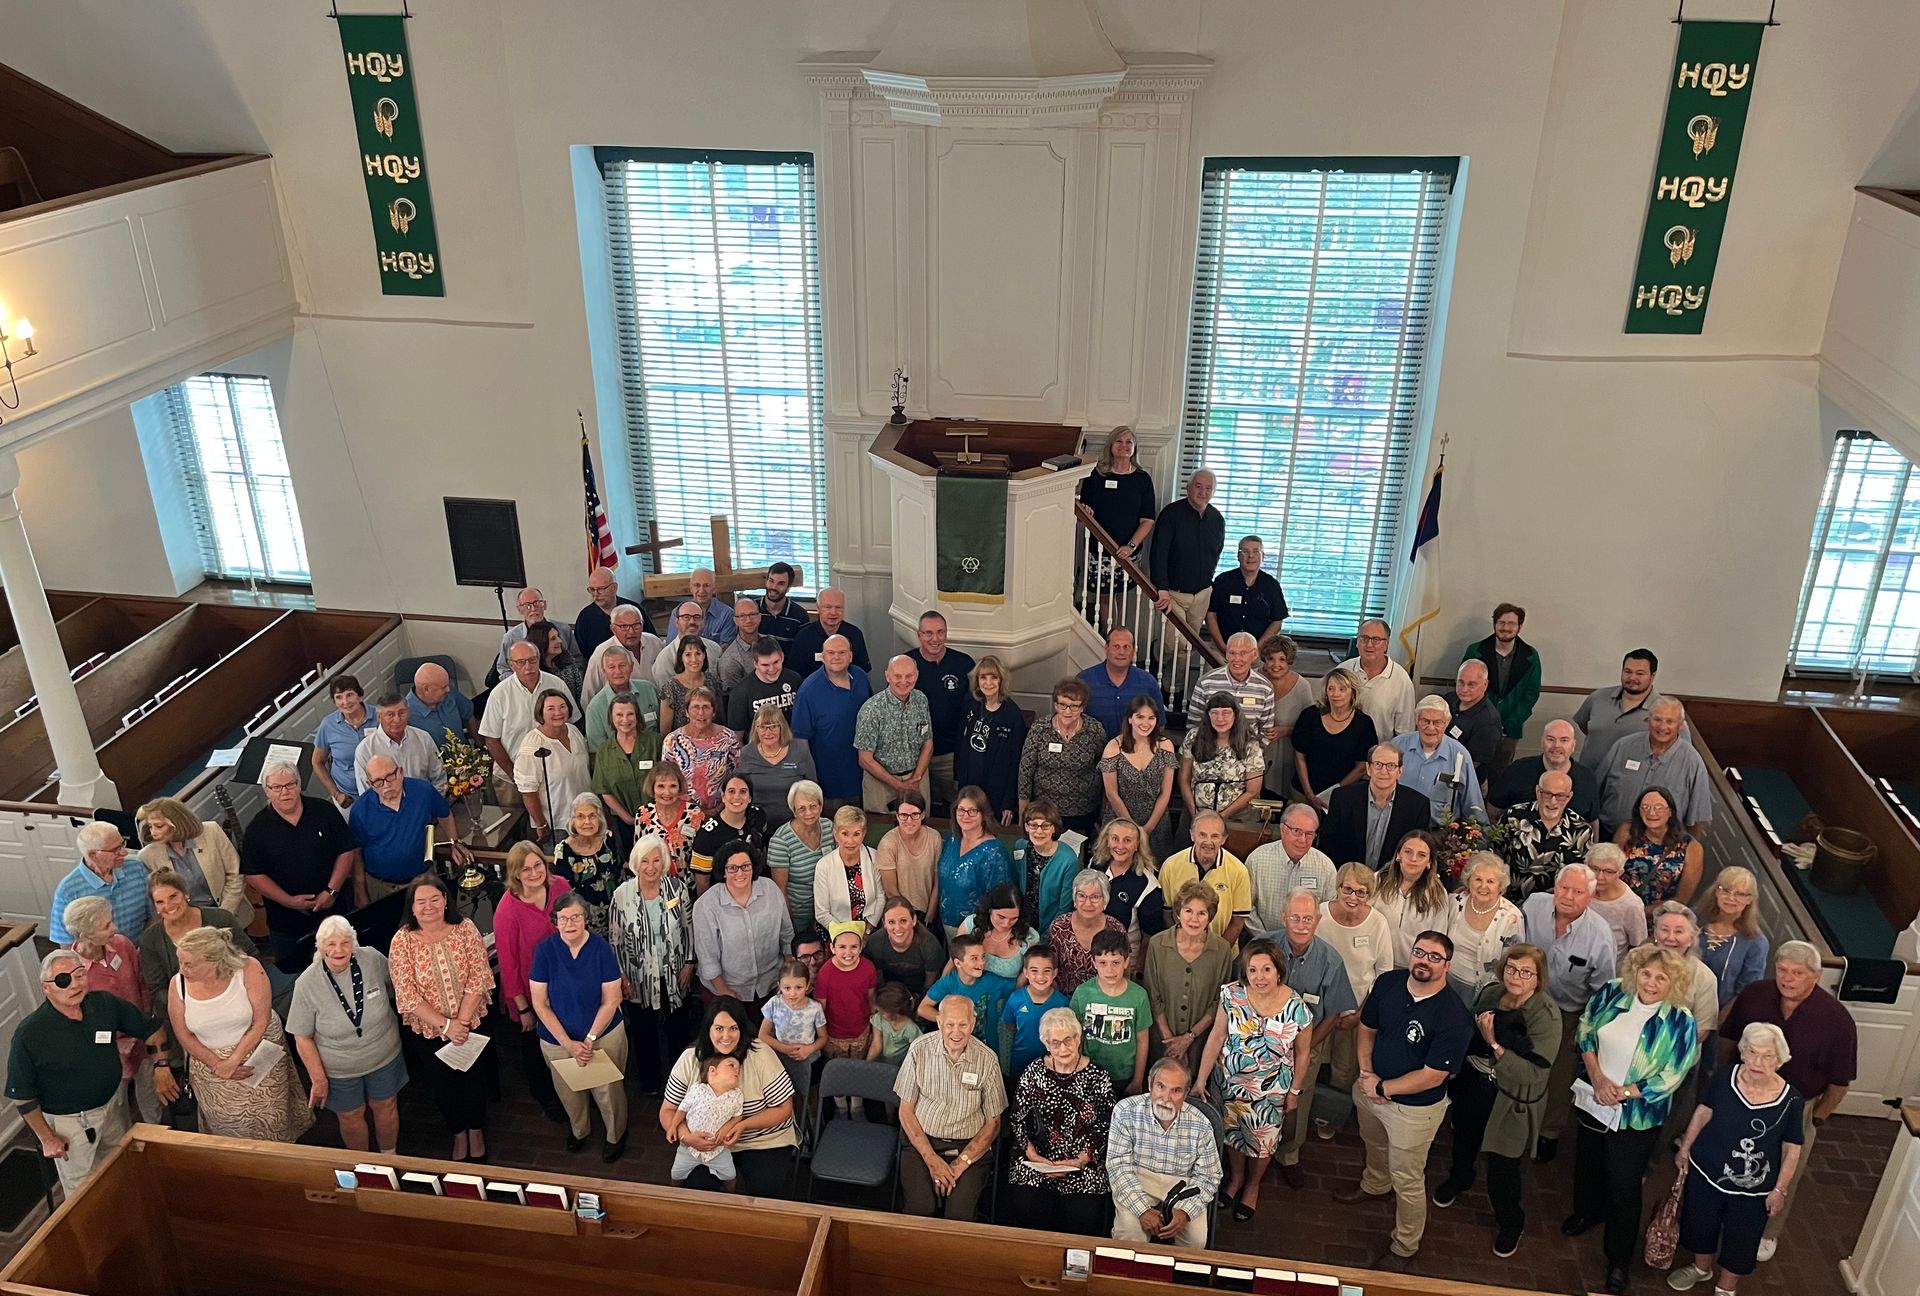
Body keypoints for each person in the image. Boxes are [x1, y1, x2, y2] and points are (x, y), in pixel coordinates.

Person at [1564, 945, 1701, 1295]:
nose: (1651, 982)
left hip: (1636, 1116)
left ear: (1673, 982)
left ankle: (1618, 1261)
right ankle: (1586, 1212)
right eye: (1646, 973)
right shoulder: (1612, 992)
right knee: (1588, 1160)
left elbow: (1672, 1075)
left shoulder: (1681, 1021)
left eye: (1661, 977)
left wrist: (1622, 1093)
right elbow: (1586, 1030)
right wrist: (1597, 1078)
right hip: (1594, 1099)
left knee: (1624, 1187)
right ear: (1635, 972)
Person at [1333, 930, 1473, 1271]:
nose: (1424, 961)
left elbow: (1433, 1075)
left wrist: (1383, 1088)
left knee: (1408, 1179)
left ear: (1448, 965)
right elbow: (1367, 1028)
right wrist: (1367, 1074)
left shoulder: (1454, 1016)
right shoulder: (1389, 983)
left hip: (1415, 1110)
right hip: (1371, 1090)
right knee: (1374, 1145)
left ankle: (1405, 1245)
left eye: (1434, 957)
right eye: (1419, 952)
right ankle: (1374, 1184)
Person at [1717, 940, 1856, 1258]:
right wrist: (1727, 1081)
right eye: (1782, 969)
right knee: (1730, 1156)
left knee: (1783, 1173)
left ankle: (1768, 1233)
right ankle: (1722, 1212)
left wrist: (1815, 1117)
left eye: (1798, 972)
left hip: (1795, 1107)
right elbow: (1728, 1038)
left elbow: (1839, 1082)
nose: (1788, 978)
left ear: (1816, 976)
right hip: (1743, 1095)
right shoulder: (1755, 995)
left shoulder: (1837, 1020)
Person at [1429, 943, 1558, 1258]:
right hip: (1475, 1083)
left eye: (1526, 972)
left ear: (1538, 979)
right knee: (1464, 1138)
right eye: (1512, 968)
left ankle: (1510, 1222)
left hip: (1510, 1099)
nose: (1517, 976)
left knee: (1503, 1167)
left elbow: (1534, 1073)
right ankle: (1460, 1177)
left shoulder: (1546, 1016)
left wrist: (1495, 1045)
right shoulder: (1491, 993)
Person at [7, 950, 160, 1194]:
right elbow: (22, 1096)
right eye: (63, 980)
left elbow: (149, 1026)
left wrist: (161, 1066)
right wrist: (47, 1138)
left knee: (120, 1167)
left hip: (113, 1108)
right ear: (46, 988)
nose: (75, 984)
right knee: (82, 1189)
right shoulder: (30, 1034)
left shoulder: (104, 1004)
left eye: (80, 975)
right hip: (69, 1125)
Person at [1667, 1023, 1804, 1296]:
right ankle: (1701, 1269)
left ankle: (1726, 1288)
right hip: (1707, 1171)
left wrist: (1780, 1189)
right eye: (1752, 1052)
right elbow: (1704, 1112)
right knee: (1699, 1223)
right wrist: (1685, 1149)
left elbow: (1792, 1147)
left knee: (1742, 1238)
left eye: (1767, 1056)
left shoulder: (1791, 1099)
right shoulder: (1723, 1077)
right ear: (1742, 1052)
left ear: (1779, 1060)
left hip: (1756, 1188)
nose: (1758, 1062)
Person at [1194, 935, 1313, 1222]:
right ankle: (1235, 1180)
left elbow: (1304, 1053)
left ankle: (1252, 1185)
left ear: (1278, 971)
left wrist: (1295, 1091)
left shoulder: (1296, 1006)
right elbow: (1217, 1036)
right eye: (1253, 970)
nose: (1259, 977)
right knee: (1234, 1137)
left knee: (1262, 1143)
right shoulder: (1232, 995)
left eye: (1266, 969)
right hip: (1230, 1086)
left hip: (1271, 1093)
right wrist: (1201, 1079)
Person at [168, 926, 313, 1142]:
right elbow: (184, 1035)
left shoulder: (249, 968)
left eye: (188, 964)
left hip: (258, 1057)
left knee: (271, 1120)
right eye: (180, 962)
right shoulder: (177, 984)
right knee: (226, 1126)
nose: (182, 970)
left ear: (213, 961)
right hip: (210, 1066)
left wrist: (233, 1061)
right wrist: (217, 1064)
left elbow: (260, 1020)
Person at [388, 874, 494, 1161]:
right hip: (431, 1031)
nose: (428, 906)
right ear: (411, 907)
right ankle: (458, 1132)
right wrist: (446, 1026)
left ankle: (476, 1130)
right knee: (444, 1085)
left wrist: (462, 1022)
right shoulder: (402, 941)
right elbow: (406, 994)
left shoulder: (465, 928)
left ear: (446, 900)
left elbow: (479, 975)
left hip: (472, 1022)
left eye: (435, 899)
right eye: (421, 902)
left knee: (474, 1080)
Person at [1523, 861, 1618, 1162]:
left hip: (1568, 1011)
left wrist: (1584, 1029)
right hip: (1525, 998)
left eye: (1578, 892)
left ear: (1589, 898)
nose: (1568, 896)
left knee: (1558, 1074)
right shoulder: (1533, 905)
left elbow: (1602, 991)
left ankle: (1548, 1133)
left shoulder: (1600, 935)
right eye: (1564, 887)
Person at [288, 915, 407, 1153]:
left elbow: (399, 986)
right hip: (339, 1068)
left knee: (386, 1105)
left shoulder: (371, 958)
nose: (338, 950)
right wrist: (318, 1079)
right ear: (320, 947)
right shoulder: (307, 983)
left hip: (384, 1055)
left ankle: (389, 1157)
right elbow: (302, 1036)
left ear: (354, 943)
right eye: (330, 944)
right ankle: (363, 1165)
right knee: (351, 1115)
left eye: (345, 943)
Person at [660, 996, 798, 1196]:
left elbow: (784, 1109)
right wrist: (686, 1136)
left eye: (733, 1028)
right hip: (707, 1146)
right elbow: (668, 1110)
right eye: (719, 1029)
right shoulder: (690, 1059)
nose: (726, 1036)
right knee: (698, 1189)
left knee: (764, 1192)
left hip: (762, 1139)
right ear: (708, 1030)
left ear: (742, 1029)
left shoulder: (760, 1054)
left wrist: (742, 1125)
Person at [530, 892, 628, 1160]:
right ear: (555, 921)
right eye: (563, 918)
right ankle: (579, 1130)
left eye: (576, 917)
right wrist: (569, 1044)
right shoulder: (545, 950)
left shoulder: (601, 949)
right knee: (569, 1091)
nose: (570, 923)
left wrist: (589, 1039)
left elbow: (612, 1000)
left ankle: (615, 1135)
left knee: (608, 1092)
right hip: (558, 1040)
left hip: (603, 1034)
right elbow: (540, 1004)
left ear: (586, 919)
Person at [1269, 889, 1358, 1185]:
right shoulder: (1263, 947)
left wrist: (1303, 1050)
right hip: (1262, 1045)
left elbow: (1333, 1015)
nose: (1302, 924)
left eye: (1308, 918)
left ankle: (1289, 1155)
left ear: (1318, 920)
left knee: (1297, 1105)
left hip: (1309, 1045)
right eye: (1295, 917)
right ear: (1284, 918)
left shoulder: (1331, 961)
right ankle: (1253, 1152)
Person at [1005, 1005, 1116, 1234]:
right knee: (1030, 1210)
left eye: (1069, 1039)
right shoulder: (1033, 1072)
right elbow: (1018, 1118)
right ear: (1046, 1044)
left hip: (1084, 1164)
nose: (1063, 1048)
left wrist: (1081, 1160)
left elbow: (1106, 1126)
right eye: (1055, 1042)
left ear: (1079, 1038)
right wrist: (1032, 1154)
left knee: (1080, 1219)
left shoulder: (1098, 1076)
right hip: (1037, 1161)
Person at [895, 995, 1007, 1221]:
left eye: (963, 1024)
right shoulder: (919, 1050)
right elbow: (905, 1111)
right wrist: (931, 1159)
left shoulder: (988, 1060)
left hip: (969, 1148)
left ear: (973, 1024)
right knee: (920, 1211)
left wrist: (959, 1165)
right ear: (939, 1023)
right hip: (922, 1143)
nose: (956, 1032)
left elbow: (993, 1123)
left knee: (959, 1217)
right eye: (950, 1024)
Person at [241, 761, 356, 969]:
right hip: (287, 923)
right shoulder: (257, 829)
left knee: (347, 964)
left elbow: (346, 850)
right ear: (267, 791)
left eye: (290, 785)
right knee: (296, 974)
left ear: (299, 785)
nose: (284, 792)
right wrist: (289, 901)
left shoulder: (324, 811)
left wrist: (331, 891)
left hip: (334, 910)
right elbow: (253, 874)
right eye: (277, 787)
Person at [60, 898, 166, 1123]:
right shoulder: (72, 973)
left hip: (141, 1038)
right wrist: (114, 1043)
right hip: (107, 1054)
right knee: (116, 1108)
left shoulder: (122, 945)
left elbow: (141, 983)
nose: (115, 928)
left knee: (150, 1092)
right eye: (106, 926)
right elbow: (75, 1024)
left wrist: (146, 1022)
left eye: (112, 921)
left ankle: (156, 1136)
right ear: (86, 935)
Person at [607, 834, 697, 1096]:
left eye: (657, 860)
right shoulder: (621, 895)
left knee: (678, 1029)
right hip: (638, 977)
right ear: (636, 862)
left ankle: (680, 1081)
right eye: (645, 860)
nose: (651, 866)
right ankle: (650, 1083)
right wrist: (622, 977)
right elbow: (615, 941)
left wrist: (689, 963)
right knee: (644, 1033)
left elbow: (688, 928)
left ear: (664, 861)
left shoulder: (676, 889)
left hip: (675, 972)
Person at [494, 842, 573, 1125]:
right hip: (529, 994)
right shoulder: (507, 910)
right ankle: (546, 1096)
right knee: (535, 1049)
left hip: (565, 985)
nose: (533, 872)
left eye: (538, 865)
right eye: (525, 869)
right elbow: (509, 964)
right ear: (515, 874)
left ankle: (572, 1089)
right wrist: (524, 1008)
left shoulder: (561, 886)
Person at [1106, 1056, 1221, 1249]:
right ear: (1150, 1085)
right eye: (1161, 1086)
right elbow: (1118, 1166)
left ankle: (1181, 1278)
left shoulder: (1201, 1124)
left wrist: (1185, 1212)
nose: (1166, 1098)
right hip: (1137, 1177)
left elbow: (1209, 1175)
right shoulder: (1125, 1111)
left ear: (1185, 1093)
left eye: (1176, 1090)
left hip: (1182, 1183)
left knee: (1196, 1239)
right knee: (1129, 1233)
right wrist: (1142, 1210)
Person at [1315, 864, 1395, 1141]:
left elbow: (1384, 973)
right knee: (1310, 1062)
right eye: (1347, 889)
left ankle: (1330, 1116)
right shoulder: (1320, 915)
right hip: (1316, 1010)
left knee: (1344, 1069)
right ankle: (1301, 1114)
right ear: (1337, 888)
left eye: (1361, 892)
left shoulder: (1378, 923)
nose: (1353, 897)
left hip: (1355, 1013)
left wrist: (1361, 1014)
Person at [137, 869, 257, 1048]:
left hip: (239, 1007)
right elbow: (158, 990)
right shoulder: (150, 940)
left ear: (186, 893)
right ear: (154, 906)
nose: (168, 905)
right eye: (160, 902)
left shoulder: (221, 918)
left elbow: (249, 957)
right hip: (192, 1021)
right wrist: (195, 1007)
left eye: (173, 896)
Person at [348, 755, 464, 905]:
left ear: (401, 772)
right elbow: (356, 853)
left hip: (422, 880)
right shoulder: (360, 810)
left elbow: (445, 814)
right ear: (369, 784)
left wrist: (454, 842)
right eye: (378, 782)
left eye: (390, 776)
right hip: (381, 886)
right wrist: (360, 890)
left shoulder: (423, 791)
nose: (386, 785)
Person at [1601, 700, 1713, 846]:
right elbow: (1596, 791)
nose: (1662, 727)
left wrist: (1685, 852)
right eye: (1657, 719)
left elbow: (1697, 819)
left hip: (1663, 850)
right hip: (1609, 841)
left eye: (1670, 721)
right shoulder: (1623, 746)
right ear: (1649, 720)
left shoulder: (1693, 762)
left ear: (1680, 725)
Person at [692, 843, 793, 1001]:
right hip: (726, 989)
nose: (740, 873)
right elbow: (707, 958)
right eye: (732, 868)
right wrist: (725, 992)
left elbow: (787, 935)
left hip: (771, 984)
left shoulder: (771, 890)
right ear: (723, 872)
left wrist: (789, 975)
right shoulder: (706, 905)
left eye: (746, 866)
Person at [1078, 426, 1157, 627]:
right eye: (1119, 441)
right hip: (1099, 550)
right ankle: (1109, 634)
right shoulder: (1096, 475)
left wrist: (1130, 546)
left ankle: (1118, 634)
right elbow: (1083, 510)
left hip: (1127, 552)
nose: (1124, 446)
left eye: (1128, 442)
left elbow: (1147, 519)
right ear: (1111, 445)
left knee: (1120, 595)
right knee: (1104, 596)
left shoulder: (1142, 479)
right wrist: (1085, 510)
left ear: (1135, 447)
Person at [479, 642, 573, 808]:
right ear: (511, 664)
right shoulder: (499, 694)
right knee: (515, 825)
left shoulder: (557, 684)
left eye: (532, 660)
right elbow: (491, 740)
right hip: (511, 778)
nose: (528, 667)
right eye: (521, 662)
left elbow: (570, 724)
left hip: (554, 776)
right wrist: (514, 773)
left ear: (539, 659)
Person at [135, 797, 253, 928]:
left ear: (177, 823)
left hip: (231, 912)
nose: (153, 832)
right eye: (150, 826)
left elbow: (236, 873)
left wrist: (223, 914)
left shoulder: (211, 831)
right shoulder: (147, 856)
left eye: (159, 826)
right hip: (189, 924)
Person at [1461, 603, 1542, 778]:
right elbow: (1465, 687)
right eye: (1501, 622)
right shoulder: (1475, 651)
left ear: (1520, 626)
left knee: (1500, 777)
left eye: (1511, 623)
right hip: (1476, 726)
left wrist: (1510, 722)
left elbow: (1531, 693)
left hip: (1509, 730)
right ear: (1494, 624)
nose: (1506, 628)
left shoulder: (1531, 656)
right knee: (1470, 775)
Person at [790, 633, 871, 806]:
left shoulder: (861, 677)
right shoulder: (808, 691)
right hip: (830, 784)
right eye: (831, 653)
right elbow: (800, 741)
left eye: (842, 653)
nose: (836, 657)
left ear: (850, 656)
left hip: (866, 776)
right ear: (823, 656)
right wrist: (811, 782)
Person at [1019, 678, 1108, 835]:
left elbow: (1103, 767)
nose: (1067, 711)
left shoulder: (1095, 730)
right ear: (1055, 704)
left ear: (1083, 707)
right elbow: (1026, 770)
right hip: (1045, 810)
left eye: (1074, 706)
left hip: (1083, 809)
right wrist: (1023, 808)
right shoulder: (1040, 729)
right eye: (1062, 705)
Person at [907, 610, 976, 813]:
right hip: (914, 754)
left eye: (940, 632)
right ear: (919, 635)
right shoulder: (906, 663)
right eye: (928, 633)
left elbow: (975, 705)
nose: (935, 638)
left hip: (951, 753)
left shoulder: (963, 663)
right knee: (917, 807)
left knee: (958, 805)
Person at [1070, 929, 1151, 1096]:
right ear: (1093, 962)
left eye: (1116, 962)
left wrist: (1137, 1080)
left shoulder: (1139, 996)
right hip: (1090, 1072)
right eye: (1103, 963)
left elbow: (1142, 1039)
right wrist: (1076, 1070)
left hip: (1125, 1076)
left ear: (1127, 961)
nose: (1110, 970)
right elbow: (1076, 1035)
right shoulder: (1083, 993)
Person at [1099, 696, 1178, 860]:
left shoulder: (1166, 746)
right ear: (1129, 718)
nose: (1146, 723)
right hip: (1120, 821)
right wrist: (1132, 830)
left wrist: (1148, 829)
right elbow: (1112, 794)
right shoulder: (1113, 748)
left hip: (1156, 822)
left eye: (1151, 718)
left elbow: (1165, 792)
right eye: (1140, 717)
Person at [48, 822, 150, 946]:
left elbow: (153, 915)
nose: (124, 852)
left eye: (122, 844)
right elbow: (66, 943)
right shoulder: (68, 890)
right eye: (115, 850)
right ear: (93, 855)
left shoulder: (137, 869)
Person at [954, 654, 1027, 826]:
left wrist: (1009, 802)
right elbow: (961, 744)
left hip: (996, 791)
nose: (988, 683)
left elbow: (1016, 762)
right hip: (969, 784)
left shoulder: (1012, 715)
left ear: (1001, 680)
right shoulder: (971, 703)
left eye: (993, 677)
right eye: (983, 677)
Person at [1147, 470, 1225, 631]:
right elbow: (1158, 553)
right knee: (1175, 644)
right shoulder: (1171, 514)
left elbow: (1216, 553)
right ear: (1188, 487)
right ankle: (1156, 653)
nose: (1203, 492)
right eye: (1198, 486)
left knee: (1191, 645)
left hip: (1202, 595)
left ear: (1213, 492)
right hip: (1172, 594)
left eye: (1208, 488)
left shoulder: (1217, 519)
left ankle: (1159, 654)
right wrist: (1161, 588)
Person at [1502, 769, 1596, 902]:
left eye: (1560, 796)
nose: (1553, 801)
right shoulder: (1513, 817)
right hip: (1513, 904)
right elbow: (1494, 858)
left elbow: (1584, 875)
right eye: (1547, 794)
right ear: (1537, 791)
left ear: (1569, 796)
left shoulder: (1582, 830)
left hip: (1557, 908)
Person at [1391, 695, 1487, 825]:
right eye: (1425, 721)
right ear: (1416, 720)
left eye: (1437, 722)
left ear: (1447, 722)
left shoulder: (1459, 755)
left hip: (1437, 833)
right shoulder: (1397, 746)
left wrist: (1479, 838)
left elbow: (1473, 805)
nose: (1431, 728)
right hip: (1399, 827)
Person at [855, 655, 934, 813]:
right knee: (880, 828)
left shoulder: (921, 700)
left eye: (909, 676)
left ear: (916, 675)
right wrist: (899, 786)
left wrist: (916, 778)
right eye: (897, 676)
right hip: (880, 781)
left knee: (921, 824)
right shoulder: (871, 709)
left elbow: (928, 744)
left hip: (917, 776)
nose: (903, 681)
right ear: (887, 676)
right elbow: (865, 760)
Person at [1157, 813, 1251, 944]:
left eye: (1215, 836)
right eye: (1202, 835)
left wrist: (1218, 954)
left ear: (1224, 839)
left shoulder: (1239, 871)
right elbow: (1166, 914)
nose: (1208, 841)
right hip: (1179, 950)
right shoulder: (1170, 866)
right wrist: (1180, 946)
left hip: (1222, 952)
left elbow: (1238, 921)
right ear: (1192, 835)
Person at [1292, 667, 1378, 811]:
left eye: (1342, 689)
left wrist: (1334, 793)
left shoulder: (1364, 724)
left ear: (1353, 692)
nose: (1335, 694)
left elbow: (1362, 766)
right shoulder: (1310, 716)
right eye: (1331, 688)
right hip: (1303, 793)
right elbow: (1299, 756)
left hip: (1343, 796)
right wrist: (1309, 794)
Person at [1445, 853, 1525, 1005]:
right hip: (1446, 981)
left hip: (1484, 993)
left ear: (1500, 886)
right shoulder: (1455, 902)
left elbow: (1513, 962)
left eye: (1490, 881)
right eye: (1478, 879)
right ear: (1469, 881)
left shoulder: (1512, 917)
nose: (1483, 886)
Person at [1573, 648, 1668, 773]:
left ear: (1652, 676)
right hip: (1589, 778)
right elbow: (1584, 726)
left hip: (1632, 786)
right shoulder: (1597, 698)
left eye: (1640, 673)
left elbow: (1677, 749)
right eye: (1627, 671)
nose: (1632, 677)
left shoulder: (1665, 709)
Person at [1244, 803, 1335, 933]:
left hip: (1308, 943)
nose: (1303, 840)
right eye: (1297, 831)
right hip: (1263, 943)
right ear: (1283, 830)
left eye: (1309, 834)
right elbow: (1247, 907)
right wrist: (1266, 940)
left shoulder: (1326, 867)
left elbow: (1328, 912)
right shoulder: (1257, 860)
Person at [936, 786, 1013, 937]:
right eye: (961, 810)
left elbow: (999, 900)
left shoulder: (994, 852)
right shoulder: (952, 840)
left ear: (984, 814)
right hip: (946, 924)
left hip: (976, 931)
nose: (965, 816)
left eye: (973, 811)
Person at [515, 690, 591, 844]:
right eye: (550, 709)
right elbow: (528, 791)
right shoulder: (532, 745)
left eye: (562, 707)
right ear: (540, 713)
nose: (558, 712)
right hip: (558, 826)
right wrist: (541, 824)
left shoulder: (574, 732)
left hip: (586, 818)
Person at [1087, 820, 1166, 965]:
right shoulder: (1095, 865)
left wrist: (1139, 969)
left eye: (1127, 840)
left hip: (1123, 960)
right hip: (1090, 951)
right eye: (1115, 839)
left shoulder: (1147, 885)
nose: (1120, 846)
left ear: (1137, 845)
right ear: (1107, 841)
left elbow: (1150, 935)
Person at [1488, 719, 1599, 820]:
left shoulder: (1587, 777)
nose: (1556, 745)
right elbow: (1493, 812)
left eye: (1564, 740)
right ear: (1542, 742)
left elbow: (1593, 822)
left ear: (1573, 745)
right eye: (1550, 739)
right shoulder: (1517, 770)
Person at [1693, 866, 1769, 1013]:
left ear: (1750, 899)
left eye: (1740, 894)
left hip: (1718, 1014)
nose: (1731, 898)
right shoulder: (1693, 920)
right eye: (1725, 890)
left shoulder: (1756, 943)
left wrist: (1716, 1023)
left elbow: (1745, 992)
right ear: (1716, 891)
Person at [1615, 785, 1705, 907]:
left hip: (1658, 917)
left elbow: (1681, 899)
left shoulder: (1691, 847)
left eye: (1659, 808)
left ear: (1670, 812)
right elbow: (1610, 869)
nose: (1651, 813)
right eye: (1645, 807)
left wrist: (1645, 913)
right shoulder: (1627, 832)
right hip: (1620, 908)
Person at [592, 696, 664, 848]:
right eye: (619, 715)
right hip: (625, 823)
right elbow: (605, 791)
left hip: (660, 818)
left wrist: (654, 813)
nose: (625, 719)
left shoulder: (655, 742)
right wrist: (629, 819)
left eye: (630, 714)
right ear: (611, 717)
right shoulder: (604, 751)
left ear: (637, 716)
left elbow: (667, 781)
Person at [1179, 693, 1263, 823]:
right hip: (1195, 814)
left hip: (1235, 818)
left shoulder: (1250, 745)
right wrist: (1194, 812)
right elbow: (1184, 779)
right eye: (1214, 713)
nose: (1220, 718)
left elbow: (1253, 791)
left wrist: (1220, 817)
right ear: (1208, 715)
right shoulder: (1193, 737)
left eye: (1226, 713)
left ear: (1236, 715)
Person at [668, 1054, 746, 1191]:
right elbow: (682, 1109)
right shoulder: (698, 1089)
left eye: (738, 1069)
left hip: (718, 1149)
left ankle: (731, 1196)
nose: (737, 1071)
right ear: (712, 1071)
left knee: (730, 1174)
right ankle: (675, 1193)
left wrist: (725, 1129)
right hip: (689, 1149)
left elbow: (738, 1117)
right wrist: (673, 1126)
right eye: (731, 1065)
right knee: (676, 1173)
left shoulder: (737, 1096)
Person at [1372, 830, 1450, 969]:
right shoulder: (1377, 881)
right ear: (1398, 855)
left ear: (1429, 862)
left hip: (1412, 967)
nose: (1413, 859)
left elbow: (1437, 937)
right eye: (1408, 852)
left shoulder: (1437, 894)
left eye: (1421, 855)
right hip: (1375, 960)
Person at [920, 933, 1015, 1043]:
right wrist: (949, 1021)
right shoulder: (948, 982)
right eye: (974, 958)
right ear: (958, 963)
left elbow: (1018, 986)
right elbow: (923, 1009)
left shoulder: (991, 981)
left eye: (983, 956)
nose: (981, 962)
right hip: (954, 1041)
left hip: (987, 1044)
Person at [1077, 628, 1165, 744]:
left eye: (1126, 647)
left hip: (1136, 755)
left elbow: (1160, 726)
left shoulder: (1148, 683)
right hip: (1093, 756)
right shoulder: (1084, 680)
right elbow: (1070, 718)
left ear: (1134, 651)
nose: (1121, 652)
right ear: (1106, 648)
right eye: (1116, 646)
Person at [1258, 634, 1318, 801]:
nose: (1276, 665)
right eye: (1271, 659)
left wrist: (1287, 730)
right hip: (1255, 755)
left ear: (1289, 661)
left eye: (1282, 659)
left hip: (1287, 757)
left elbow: (1311, 726)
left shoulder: (1302, 686)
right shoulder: (1254, 680)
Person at [353, 688, 447, 794]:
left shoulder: (423, 738)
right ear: (379, 717)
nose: (397, 720)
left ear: (409, 712)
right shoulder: (365, 750)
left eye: (401, 713)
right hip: (386, 809)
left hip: (426, 805)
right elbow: (366, 795)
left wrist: (432, 804)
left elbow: (440, 778)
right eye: (390, 715)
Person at [663, 687, 740, 817]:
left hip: (725, 810)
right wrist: (697, 810)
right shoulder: (672, 741)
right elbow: (668, 781)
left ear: (714, 712)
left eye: (706, 707)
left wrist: (720, 808)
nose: (701, 713)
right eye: (695, 707)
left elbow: (736, 776)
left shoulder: (729, 738)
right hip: (685, 812)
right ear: (687, 712)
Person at [1206, 536, 1287, 655]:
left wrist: (1257, 649)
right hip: (1222, 651)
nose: (1251, 556)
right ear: (1238, 556)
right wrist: (1222, 646)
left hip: (1257, 654)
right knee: (1214, 673)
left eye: (1255, 551)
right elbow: (1210, 614)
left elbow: (1277, 621)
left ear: (1262, 556)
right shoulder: (1222, 581)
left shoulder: (1272, 586)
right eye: (1245, 552)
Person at [687, 774, 771, 890]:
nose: (737, 797)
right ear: (723, 796)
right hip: (722, 898)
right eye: (731, 791)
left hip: (756, 889)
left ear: (750, 797)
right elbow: (702, 886)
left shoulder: (759, 816)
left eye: (743, 792)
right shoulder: (706, 835)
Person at [1336, 618, 1416, 738]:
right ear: (1357, 642)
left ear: (1386, 645)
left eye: (1376, 640)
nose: (1369, 644)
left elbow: (1405, 732)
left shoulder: (1401, 680)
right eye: (1364, 638)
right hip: (1341, 748)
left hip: (1379, 752)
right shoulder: (1342, 671)